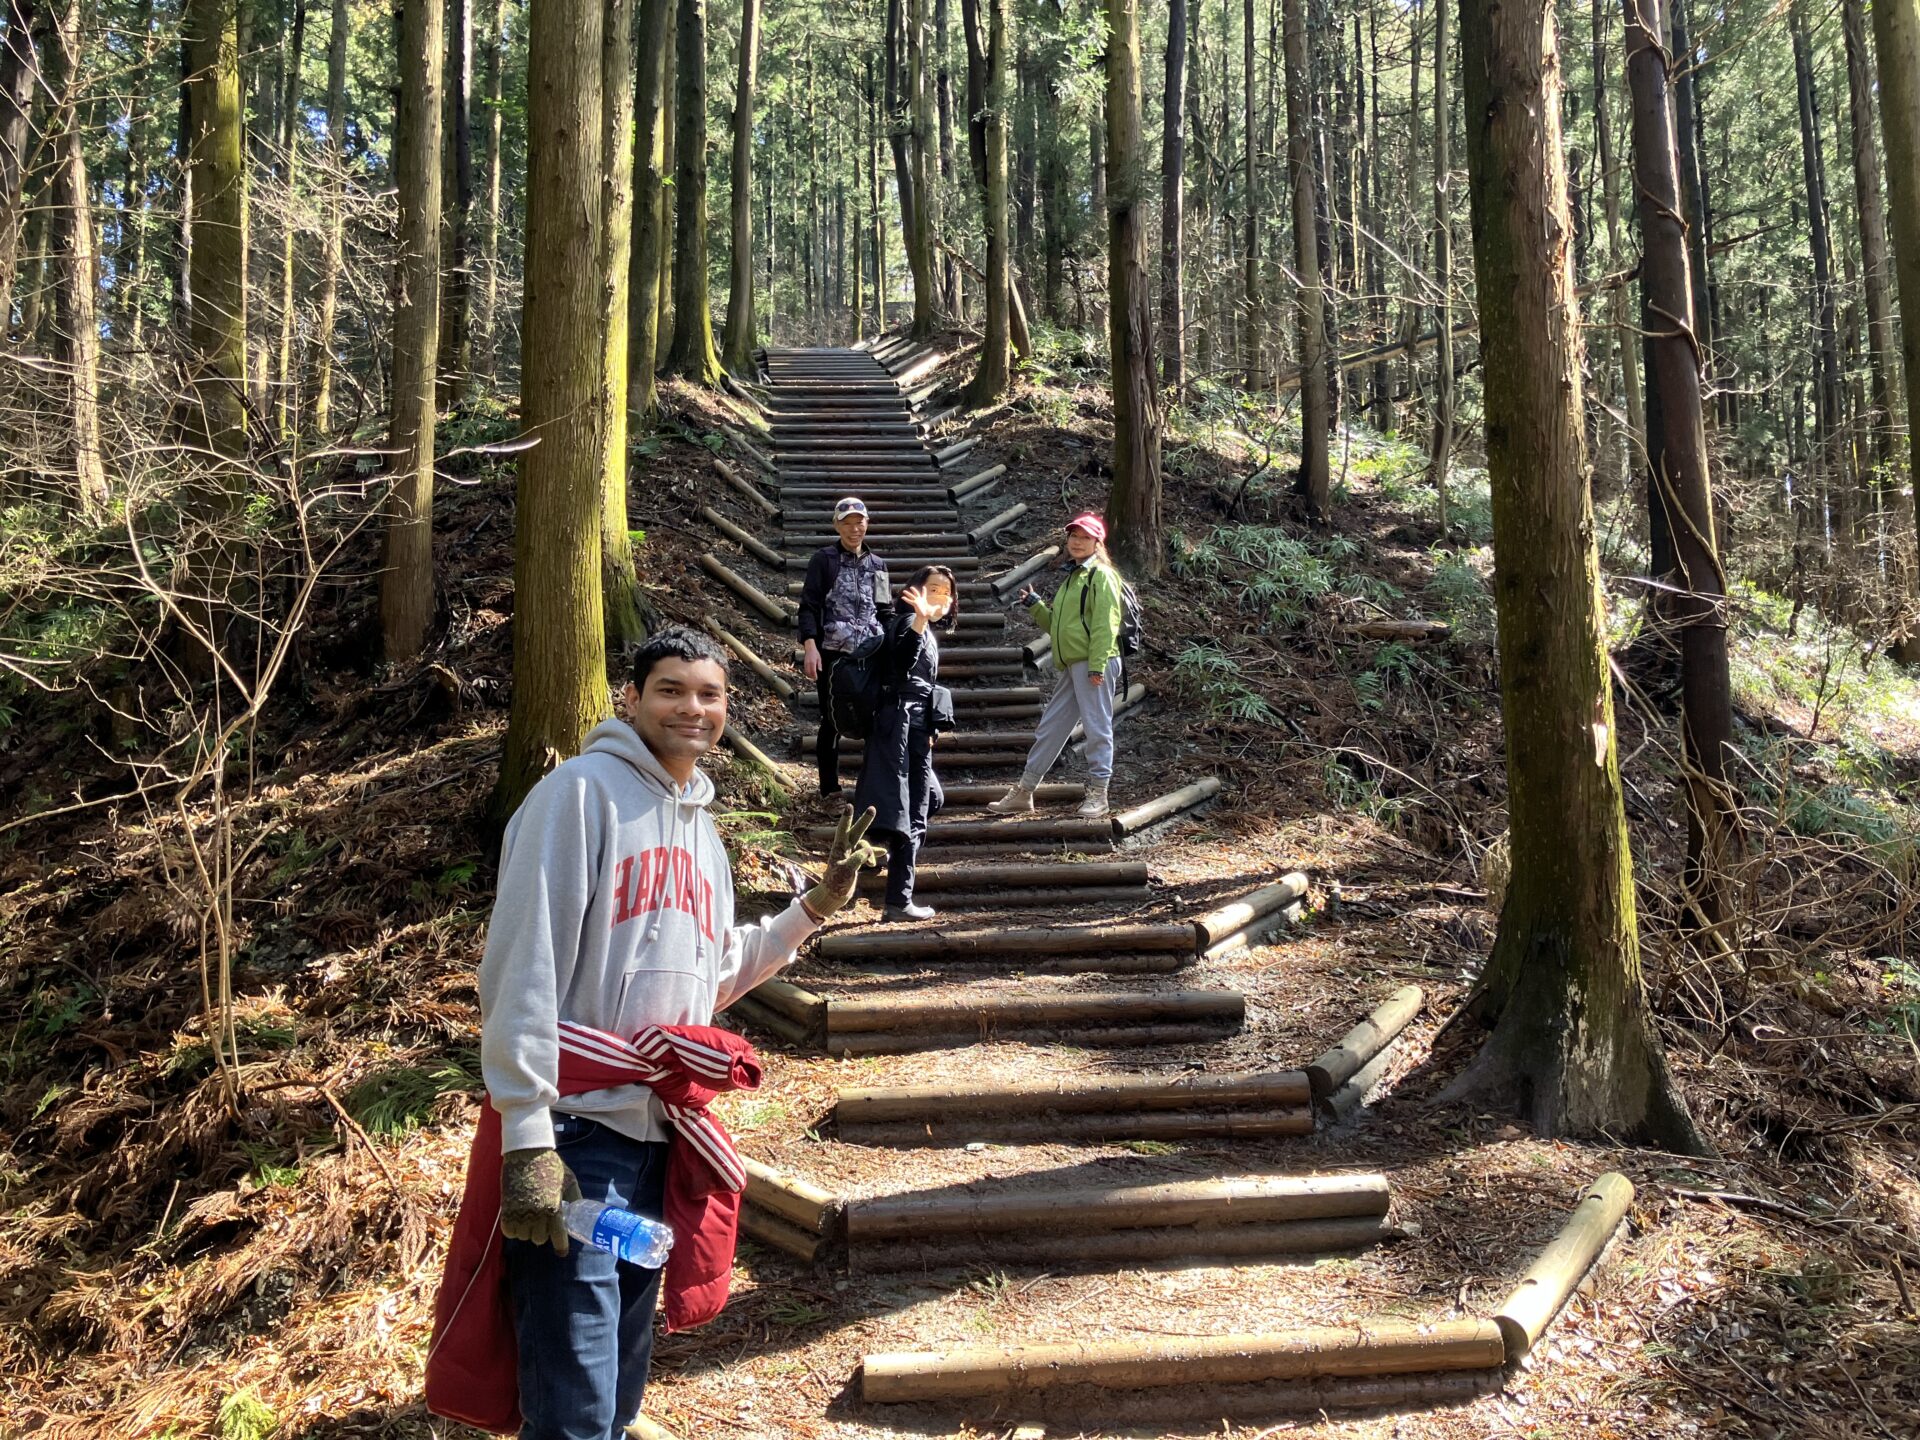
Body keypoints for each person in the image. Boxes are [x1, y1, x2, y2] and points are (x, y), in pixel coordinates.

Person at [445, 627, 879, 1440]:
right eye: (671, 690)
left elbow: (710, 979)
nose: (692, 708)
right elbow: (524, 967)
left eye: (709, 694)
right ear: (634, 699)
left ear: (726, 708)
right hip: (575, 1140)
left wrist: (813, 908)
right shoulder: (578, 796)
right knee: (573, 1402)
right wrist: (527, 1137)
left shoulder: (704, 836)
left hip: (655, 1148)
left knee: (616, 1389)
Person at [989, 513, 1127, 819]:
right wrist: (1036, 606)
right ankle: (1025, 791)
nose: (1077, 542)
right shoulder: (1073, 578)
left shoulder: (1101, 575)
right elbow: (1059, 628)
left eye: (1085, 537)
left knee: (1096, 727)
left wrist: (1097, 665)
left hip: (1095, 662)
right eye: (1074, 536)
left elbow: (1106, 623)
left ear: (1097, 543)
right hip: (1075, 664)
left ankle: (1099, 793)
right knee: (1051, 727)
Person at [853, 565, 959, 921]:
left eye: (946, 592)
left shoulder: (920, 627)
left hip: (909, 726)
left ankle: (875, 847)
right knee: (913, 813)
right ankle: (899, 899)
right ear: (915, 591)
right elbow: (901, 664)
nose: (940, 597)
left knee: (930, 799)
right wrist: (920, 620)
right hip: (903, 728)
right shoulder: (909, 623)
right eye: (933, 589)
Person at [797, 496, 890, 798]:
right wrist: (810, 646)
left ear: (867, 524)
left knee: (875, 719)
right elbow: (809, 605)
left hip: (872, 653)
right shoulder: (824, 560)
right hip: (834, 653)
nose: (854, 529)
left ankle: (873, 789)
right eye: (847, 523)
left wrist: (895, 646)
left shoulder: (878, 565)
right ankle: (830, 791)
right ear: (837, 526)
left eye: (859, 522)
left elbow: (885, 609)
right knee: (832, 719)